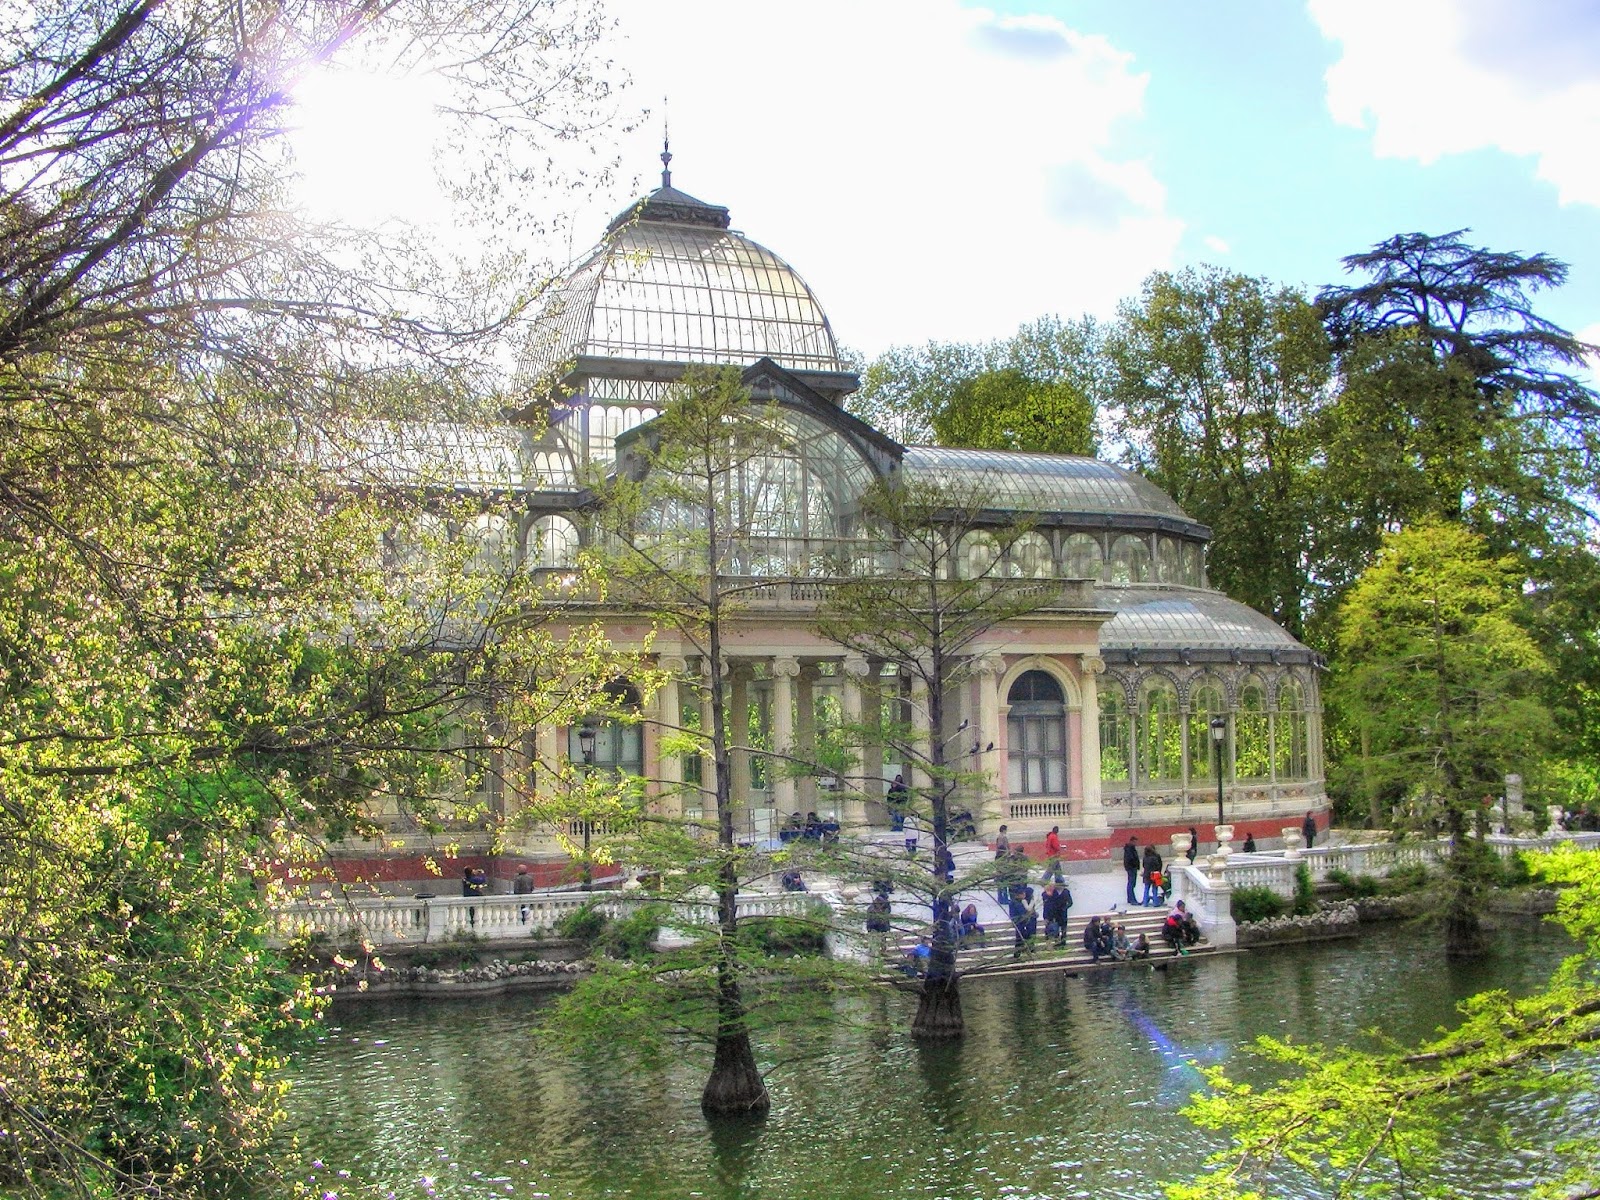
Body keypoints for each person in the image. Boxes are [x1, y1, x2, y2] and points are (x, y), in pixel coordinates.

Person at [1141, 843, 1163, 907]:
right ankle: (1155, 902)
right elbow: (1158, 865)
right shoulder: (1155, 857)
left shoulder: (1145, 857)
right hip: (1154, 875)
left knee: (1146, 889)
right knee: (1155, 889)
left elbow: (1143, 865)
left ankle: (1145, 903)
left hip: (1146, 874)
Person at [1122, 835, 1140, 906]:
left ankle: (1130, 898)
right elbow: (1131, 859)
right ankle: (1132, 899)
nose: (1136, 843)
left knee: (1131, 884)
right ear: (1132, 841)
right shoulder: (1130, 849)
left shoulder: (1130, 848)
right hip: (1131, 868)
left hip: (1131, 868)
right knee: (1131, 884)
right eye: (1135, 842)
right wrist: (1135, 865)